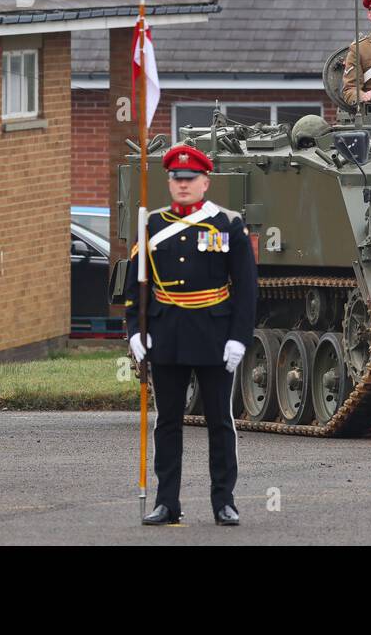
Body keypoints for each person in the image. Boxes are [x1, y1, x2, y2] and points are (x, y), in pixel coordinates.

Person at [123, 143, 257, 527]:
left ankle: (224, 502)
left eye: (190, 179)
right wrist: (135, 331)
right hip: (166, 336)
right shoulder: (152, 225)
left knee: (219, 421)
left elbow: (246, 288)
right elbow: (137, 287)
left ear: (205, 181)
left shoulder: (226, 224)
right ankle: (167, 502)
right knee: (168, 422)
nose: (182, 185)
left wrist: (239, 338)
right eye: (176, 179)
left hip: (215, 335)